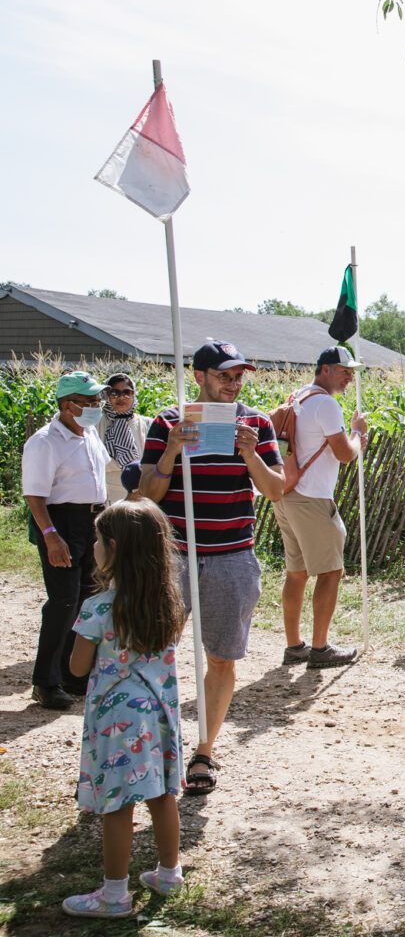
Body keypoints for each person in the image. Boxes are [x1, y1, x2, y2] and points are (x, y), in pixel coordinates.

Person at [139, 339, 285, 795]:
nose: (234, 382)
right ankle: (152, 746)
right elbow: (145, 495)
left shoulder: (256, 423)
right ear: (199, 375)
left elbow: (277, 490)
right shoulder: (167, 422)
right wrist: (170, 453)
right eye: (224, 374)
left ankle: (204, 750)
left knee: (221, 658)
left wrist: (251, 455)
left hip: (232, 557)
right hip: (172, 557)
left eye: (239, 374)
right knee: (151, 652)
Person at [61, 501, 184, 919]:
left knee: (118, 805)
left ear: (111, 547)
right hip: (160, 716)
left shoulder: (97, 608)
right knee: (162, 796)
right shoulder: (168, 604)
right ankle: (169, 873)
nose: (94, 546)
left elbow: (77, 668)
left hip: (118, 720)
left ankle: (114, 896)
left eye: (97, 539)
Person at [273, 346, 370, 668]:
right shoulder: (326, 404)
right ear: (326, 369)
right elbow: (345, 453)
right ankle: (320, 648)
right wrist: (358, 434)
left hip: (286, 491)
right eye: (344, 371)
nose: (348, 377)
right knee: (331, 571)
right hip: (312, 497)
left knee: (297, 572)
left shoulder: (299, 397)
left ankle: (294, 645)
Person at [22, 371, 109, 710]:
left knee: (88, 599)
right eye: (88, 402)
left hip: (91, 522)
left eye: (96, 401)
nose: (95, 407)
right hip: (61, 523)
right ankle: (45, 681)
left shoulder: (88, 435)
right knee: (63, 602)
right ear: (66, 404)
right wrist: (51, 537)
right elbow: (35, 496)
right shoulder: (45, 441)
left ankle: (73, 675)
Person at [97, 373, 149, 502]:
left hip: (140, 493)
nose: (121, 397)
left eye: (127, 392)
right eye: (114, 393)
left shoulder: (147, 424)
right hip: (105, 494)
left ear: (134, 395)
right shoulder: (95, 424)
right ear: (106, 395)